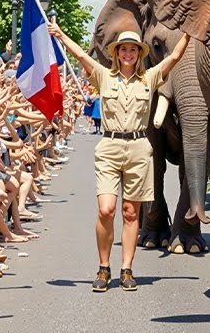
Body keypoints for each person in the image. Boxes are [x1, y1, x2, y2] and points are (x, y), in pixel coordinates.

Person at [48, 21, 192, 293]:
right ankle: (104, 267)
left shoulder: (149, 78)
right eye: (123, 49)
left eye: (133, 50)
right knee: (106, 210)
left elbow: (174, 57)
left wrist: (188, 33)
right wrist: (61, 35)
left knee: (130, 212)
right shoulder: (103, 76)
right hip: (109, 147)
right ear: (116, 53)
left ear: (139, 54)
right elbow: (80, 55)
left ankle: (127, 269)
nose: (128, 54)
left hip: (138, 148)